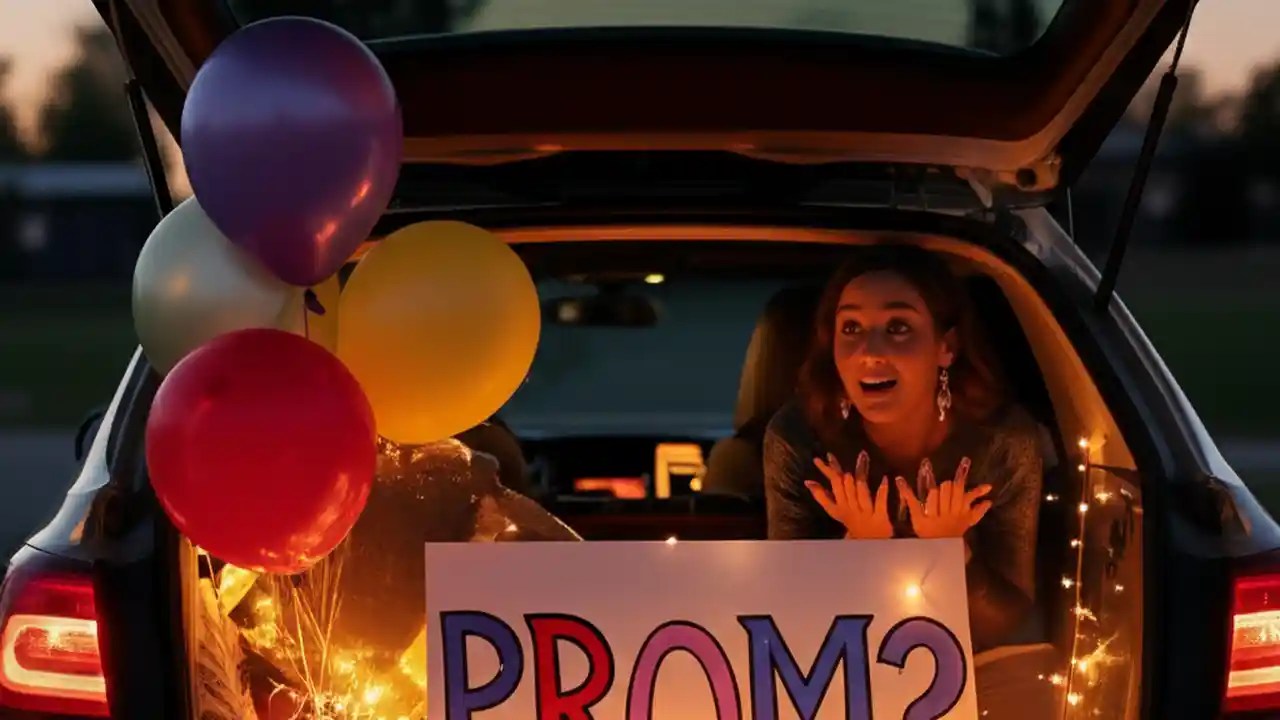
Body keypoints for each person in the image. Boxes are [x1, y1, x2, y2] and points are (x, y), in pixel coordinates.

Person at [762, 243, 1044, 652]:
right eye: (851, 329)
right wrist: (860, 545)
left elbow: (1010, 626)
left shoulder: (1001, 442)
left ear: (946, 347)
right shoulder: (800, 440)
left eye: (898, 327)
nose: (869, 352)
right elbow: (783, 621)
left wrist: (949, 551)